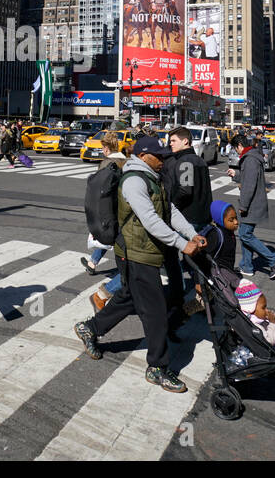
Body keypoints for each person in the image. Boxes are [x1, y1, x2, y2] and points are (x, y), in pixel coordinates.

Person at [74, 136, 206, 393]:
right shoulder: (134, 180)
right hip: (135, 253)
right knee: (155, 311)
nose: (164, 160)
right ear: (145, 156)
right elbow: (150, 220)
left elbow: (169, 211)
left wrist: (191, 233)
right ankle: (157, 367)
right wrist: (182, 244)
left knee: (131, 297)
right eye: (160, 156)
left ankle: (89, 328)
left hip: (145, 250)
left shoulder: (153, 178)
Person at [161, 126, 213, 330]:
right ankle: (204, 296)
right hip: (202, 215)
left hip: (188, 217)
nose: (169, 144)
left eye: (173, 141)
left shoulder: (185, 161)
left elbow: (184, 190)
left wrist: (169, 207)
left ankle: (200, 298)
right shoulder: (199, 160)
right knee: (195, 260)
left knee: (185, 258)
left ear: (185, 141)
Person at [228, 134, 275, 278]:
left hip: (252, 204)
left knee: (244, 234)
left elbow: (249, 185)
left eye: (236, 149)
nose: (237, 152)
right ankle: (247, 266)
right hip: (253, 203)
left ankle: (273, 259)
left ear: (239, 146)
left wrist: (244, 206)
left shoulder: (250, 159)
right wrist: (236, 174)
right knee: (245, 234)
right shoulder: (251, 157)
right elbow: (248, 177)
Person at [84, 131, 128, 311]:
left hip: (109, 211)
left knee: (110, 241)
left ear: (107, 148)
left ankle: (99, 270)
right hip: (122, 210)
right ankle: (94, 263)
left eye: (103, 147)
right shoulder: (124, 161)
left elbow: (99, 192)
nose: (102, 150)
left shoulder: (107, 163)